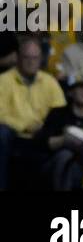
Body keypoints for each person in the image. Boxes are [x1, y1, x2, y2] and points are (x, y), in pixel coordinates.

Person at [0, 39, 67, 189]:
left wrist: (45, 129)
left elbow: (61, 113)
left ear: (41, 59)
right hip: (14, 135)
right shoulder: (4, 81)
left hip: (42, 136)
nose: (31, 62)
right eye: (26, 57)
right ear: (18, 58)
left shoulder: (50, 82)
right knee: (1, 133)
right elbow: (1, 114)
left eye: (35, 58)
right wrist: (26, 126)